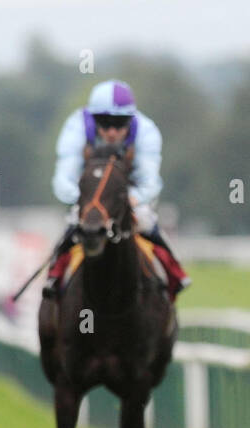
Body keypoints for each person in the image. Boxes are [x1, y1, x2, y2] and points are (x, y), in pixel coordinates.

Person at [42, 80, 187, 299]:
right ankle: (54, 278)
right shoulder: (76, 127)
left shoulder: (146, 131)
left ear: (130, 119)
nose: (111, 131)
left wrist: (126, 202)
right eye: (104, 122)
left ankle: (174, 275)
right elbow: (63, 181)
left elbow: (150, 183)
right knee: (73, 226)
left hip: (129, 199)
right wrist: (88, 202)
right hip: (88, 198)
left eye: (119, 123)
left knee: (146, 221)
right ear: (93, 118)